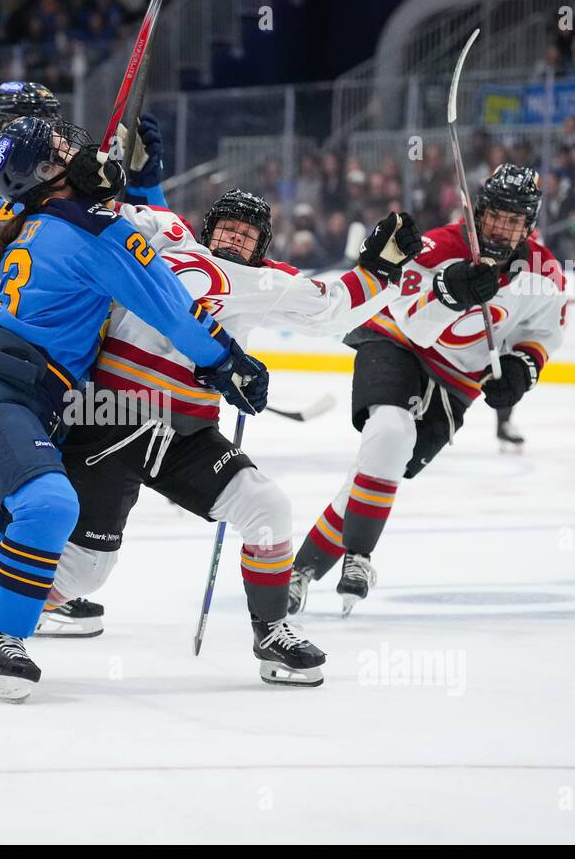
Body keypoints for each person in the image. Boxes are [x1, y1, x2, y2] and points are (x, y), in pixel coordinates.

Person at [0, 116, 268, 702]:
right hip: (0, 394)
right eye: (66, 151)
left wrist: (133, 188)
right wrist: (227, 359)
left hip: (17, 395)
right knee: (48, 506)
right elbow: (167, 301)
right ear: (48, 174)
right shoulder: (89, 229)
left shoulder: (42, 220)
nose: (83, 151)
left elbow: (142, 239)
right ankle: (0, 643)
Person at [40, 189, 421, 686]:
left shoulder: (262, 282)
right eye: (228, 228)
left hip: (186, 437)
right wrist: (103, 178)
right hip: (108, 424)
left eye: (248, 235)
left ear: (261, 246)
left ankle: (272, 632)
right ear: (207, 228)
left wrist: (378, 268)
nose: (236, 239)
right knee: (87, 570)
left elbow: (329, 308)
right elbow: (103, 212)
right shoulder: (167, 236)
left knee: (267, 506)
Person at [289, 164, 567, 616]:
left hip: (455, 386)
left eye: (515, 221)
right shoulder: (440, 247)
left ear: (530, 225)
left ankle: (299, 572)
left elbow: (543, 333)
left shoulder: (543, 271)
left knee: (380, 465)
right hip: (395, 344)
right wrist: (449, 292)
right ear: (479, 211)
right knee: (390, 432)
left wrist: (521, 368)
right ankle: (360, 555)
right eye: (496, 216)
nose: (503, 228)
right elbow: (415, 327)